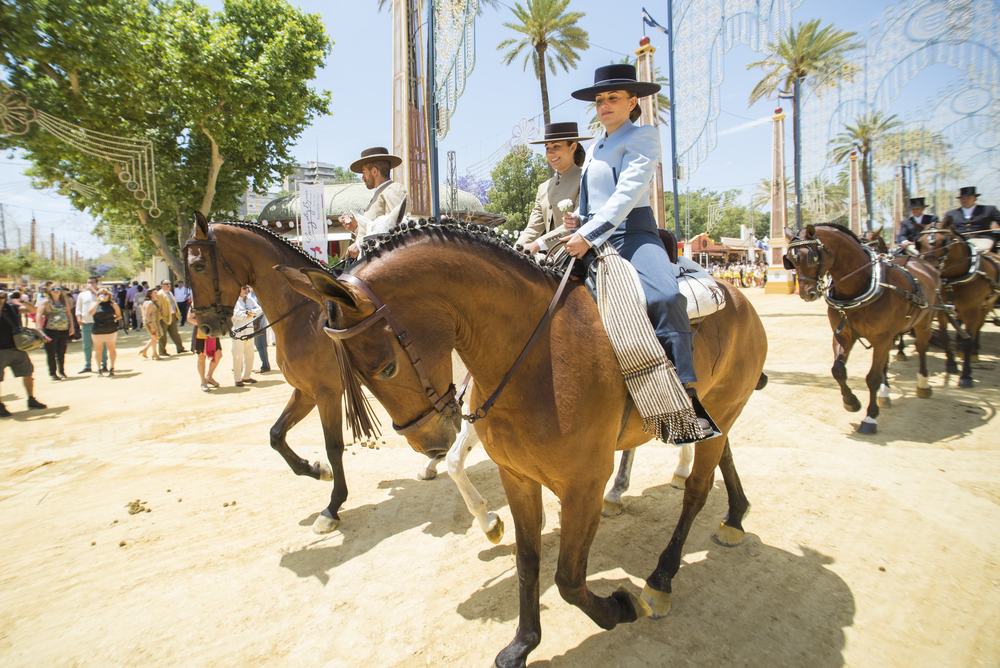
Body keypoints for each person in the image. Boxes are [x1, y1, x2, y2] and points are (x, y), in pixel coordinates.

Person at [562, 64, 708, 440]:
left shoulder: (643, 136)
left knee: (665, 296)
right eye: (599, 99)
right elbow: (592, 201)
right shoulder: (595, 147)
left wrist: (588, 234)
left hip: (633, 235)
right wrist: (575, 223)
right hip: (592, 236)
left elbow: (627, 193)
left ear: (632, 102)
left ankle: (684, 395)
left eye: (613, 98)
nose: (604, 105)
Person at [517, 122, 592, 255]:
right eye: (547, 148)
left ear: (573, 147)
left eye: (556, 146)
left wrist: (538, 244)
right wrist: (515, 250)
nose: (550, 153)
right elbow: (533, 228)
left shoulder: (586, 179)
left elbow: (578, 223)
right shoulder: (543, 188)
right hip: (551, 260)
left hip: (580, 257)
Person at [340, 147, 407, 259]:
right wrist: (357, 228)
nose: (362, 177)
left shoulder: (393, 189)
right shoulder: (382, 192)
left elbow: (399, 228)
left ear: (374, 171)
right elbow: (379, 228)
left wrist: (359, 244)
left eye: (363, 172)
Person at [0, 290, 47, 417]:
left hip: (17, 347)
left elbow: (32, 310)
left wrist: (21, 299)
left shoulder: (11, 307)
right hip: (1, 350)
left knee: (27, 373)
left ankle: (31, 399)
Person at [944, 186, 1000, 253]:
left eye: (968, 198)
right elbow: (943, 227)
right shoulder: (951, 213)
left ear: (975, 198)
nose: (965, 200)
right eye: (962, 199)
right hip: (959, 241)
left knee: (974, 250)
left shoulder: (988, 210)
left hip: (983, 239)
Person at [36, 286, 75, 380]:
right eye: (53, 289)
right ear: (49, 291)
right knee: (51, 352)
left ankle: (61, 371)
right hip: (50, 330)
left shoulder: (64, 301)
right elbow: (39, 313)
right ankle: (53, 373)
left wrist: (72, 326)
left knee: (61, 351)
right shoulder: (46, 301)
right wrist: (38, 327)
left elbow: (69, 314)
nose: (56, 290)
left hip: (63, 329)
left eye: (58, 288)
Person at [75, 277, 108, 373]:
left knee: (102, 345)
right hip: (86, 323)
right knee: (87, 345)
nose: (89, 284)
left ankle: (104, 364)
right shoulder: (82, 294)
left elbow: (103, 301)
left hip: (99, 322)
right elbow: (78, 308)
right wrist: (79, 319)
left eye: (92, 282)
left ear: (97, 283)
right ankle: (87, 365)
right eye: (88, 282)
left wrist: (94, 291)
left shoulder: (101, 293)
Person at [230, 286, 262, 387]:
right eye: (244, 288)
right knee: (238, 355)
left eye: (247, 288)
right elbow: (235, 314)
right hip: (238, 331)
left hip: (249, 330)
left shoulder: (250, 299)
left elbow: (260, 310)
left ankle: (246, 376)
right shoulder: (234, 300)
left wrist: (247, 313)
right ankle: (237, 378)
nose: (246, 290)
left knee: (250, 353)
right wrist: (248, 313)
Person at [91, 288, 122, 377]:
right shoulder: (95, 304)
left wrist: (111, 320)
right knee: (98, 350)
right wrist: (97, 303)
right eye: (101, 294)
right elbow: (90, 313)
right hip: (98, 329)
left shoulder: (113, 305)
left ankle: (112, 368)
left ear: (109, 295)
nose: (103, 296)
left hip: (110, 329)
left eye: (105, 294)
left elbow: (119, 316)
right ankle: (99, 369)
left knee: (111, 348)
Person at [156, 279, 187, 356]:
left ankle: (180, 348)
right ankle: (162, 351)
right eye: (166, 284)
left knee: (175, 333)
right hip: (164, 317)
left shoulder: (170, 293)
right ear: (162, 285)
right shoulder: (160, 294)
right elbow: (157, 305)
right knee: (163, 334)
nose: (168, 285)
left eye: (169, 284)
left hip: (172, 315)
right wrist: (160, 314)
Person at [192, 326, 223, 391]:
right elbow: (189, 320)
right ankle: (203, 382)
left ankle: (209, 376)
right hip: (200, 330)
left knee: (218, 355)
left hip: (213, 331)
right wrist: (204, 322)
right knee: (201, 357)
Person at [249, 287, 270, 373]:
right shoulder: (248, 297)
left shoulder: (259, 295)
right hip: (249, 327)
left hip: (260, 326)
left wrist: (249, 311)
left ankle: (265, 365)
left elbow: (262, 309)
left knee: (261, 346)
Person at [139, 287, 163, 360]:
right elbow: (147, 315)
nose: (156, 294)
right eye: (155, 293)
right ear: (150, 294)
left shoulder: (152, 302)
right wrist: (151, 325)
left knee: (156, 337)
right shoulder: (150, 303)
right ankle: (154, 354)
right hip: (151, 322)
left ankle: (145, 350)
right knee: (154, 337)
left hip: (154, 322)